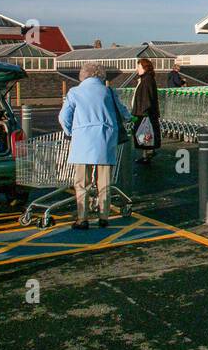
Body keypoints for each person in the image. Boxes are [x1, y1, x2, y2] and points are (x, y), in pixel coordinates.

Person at [59, 61, 131, 229]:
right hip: (105, 140)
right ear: (101, 75)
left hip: (82, 141)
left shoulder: (74, 92)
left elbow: (64, 117)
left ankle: (82, 218)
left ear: (83, 75)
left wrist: (70, 132)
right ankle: (104, 216)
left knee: (82, 182)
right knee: (104, 181)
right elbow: (124, 112)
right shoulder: (108, 92)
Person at [130, 57, 161, 164]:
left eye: (139, 67)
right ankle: (146, 155)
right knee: (144, 133)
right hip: (144, 112)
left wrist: (143, 111)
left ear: (144, 68)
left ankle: (147, 155)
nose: (137, 69)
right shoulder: (147, 79)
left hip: (144, 113)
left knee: (144, 132)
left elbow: (146, 97)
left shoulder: (146, 80)